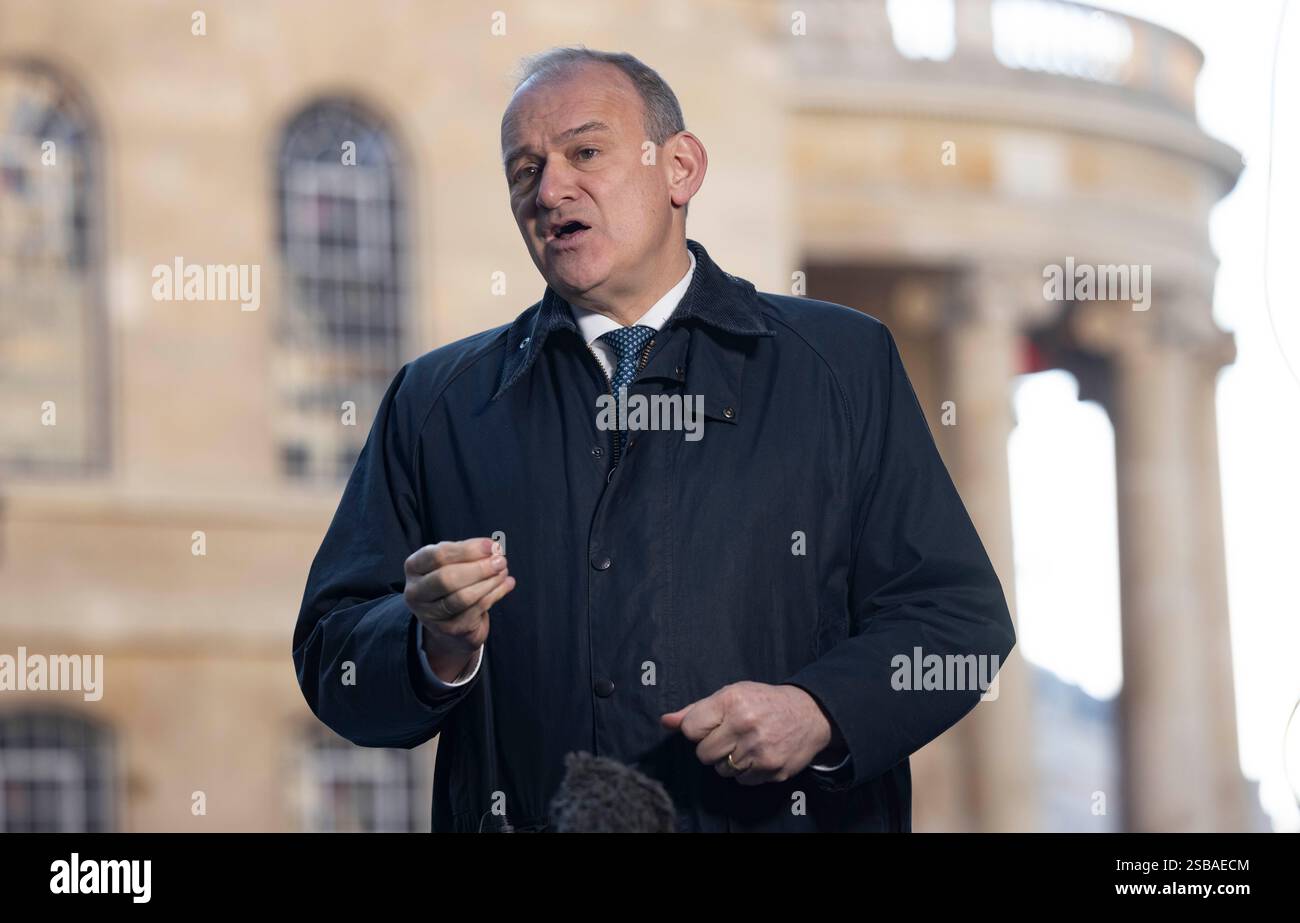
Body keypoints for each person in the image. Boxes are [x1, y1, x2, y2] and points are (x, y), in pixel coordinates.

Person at [292, 46, 1016, 832]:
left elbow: (958, 624)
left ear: (681, 169)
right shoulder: (437, 401)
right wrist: (434, 644)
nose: (550, 189)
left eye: (585, 152)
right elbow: (335, 659)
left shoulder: (841, 364)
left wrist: (820, 710)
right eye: (523, 170)